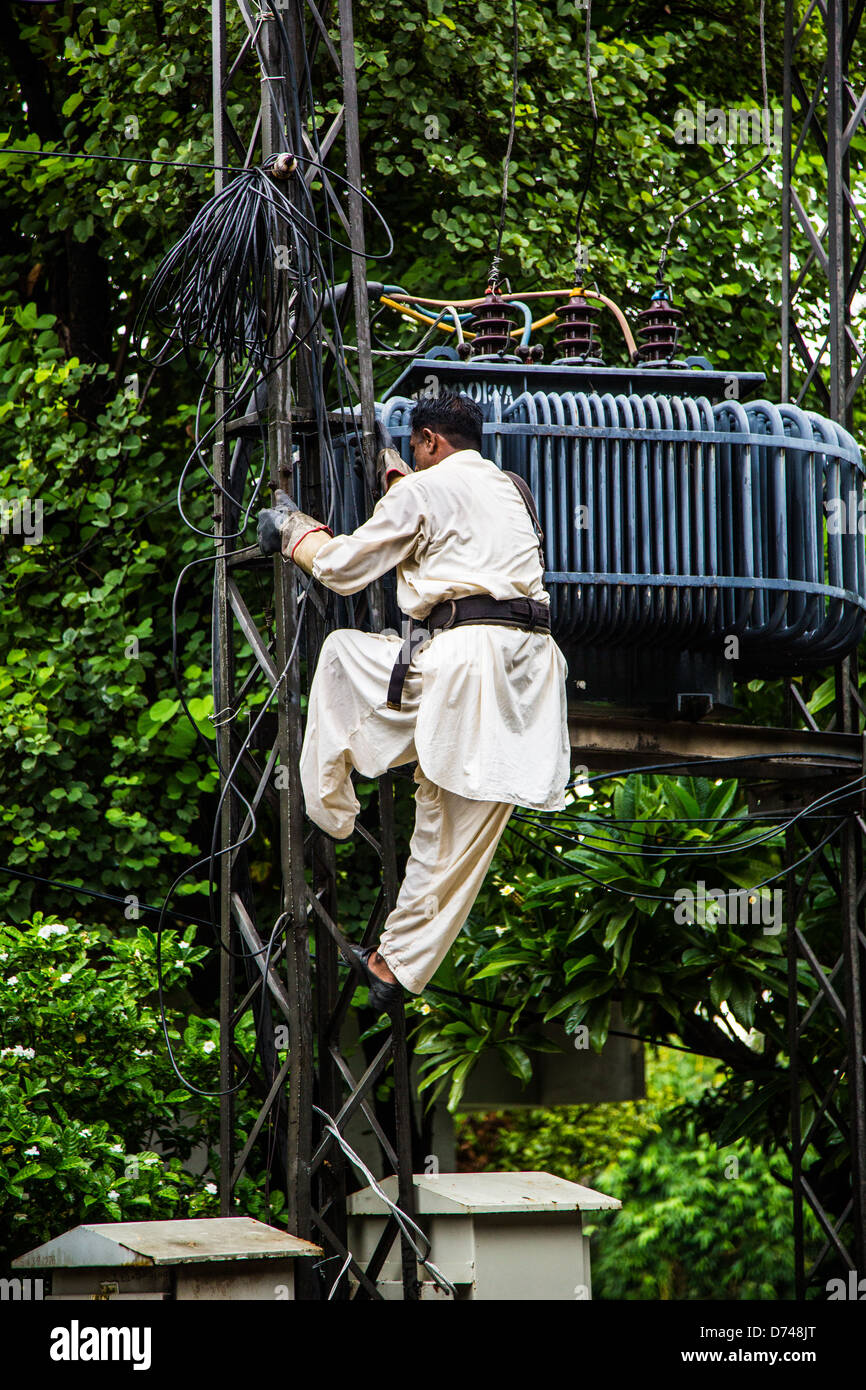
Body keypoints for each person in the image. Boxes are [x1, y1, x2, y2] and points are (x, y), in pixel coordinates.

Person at [257, 390, 570, 1010]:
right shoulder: (511, 489)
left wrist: (294, 531)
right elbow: (454, 525)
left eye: (420, 451)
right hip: (529, 673)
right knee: (456, 831)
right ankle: (393, 967)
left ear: (430, 441)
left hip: (463, 661)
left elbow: (345, 567)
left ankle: (329, 805)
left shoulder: (422, 491)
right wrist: (402, 481)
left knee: (344, 655)